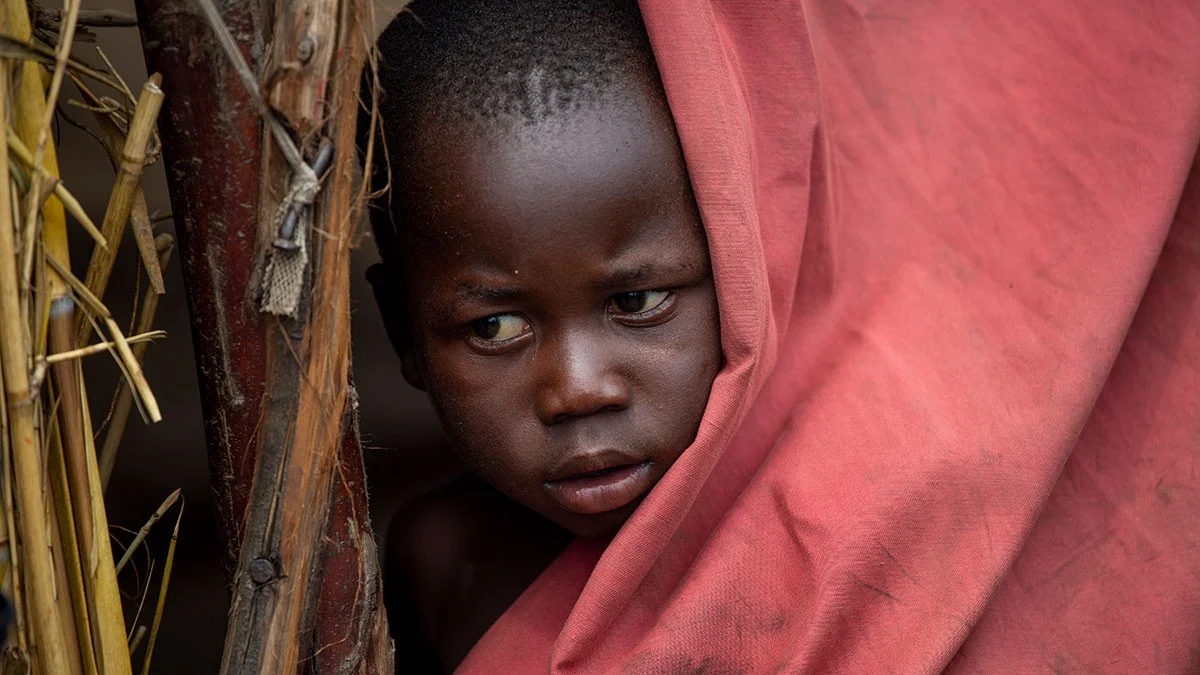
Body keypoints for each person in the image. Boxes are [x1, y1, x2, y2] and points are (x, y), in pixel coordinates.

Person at [362, 0, 1200, 673]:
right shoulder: (442, 566)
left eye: (640, 300)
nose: (579, 387)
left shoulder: (867, 507)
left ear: (744, 269)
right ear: (404, 335)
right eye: (496, 326)